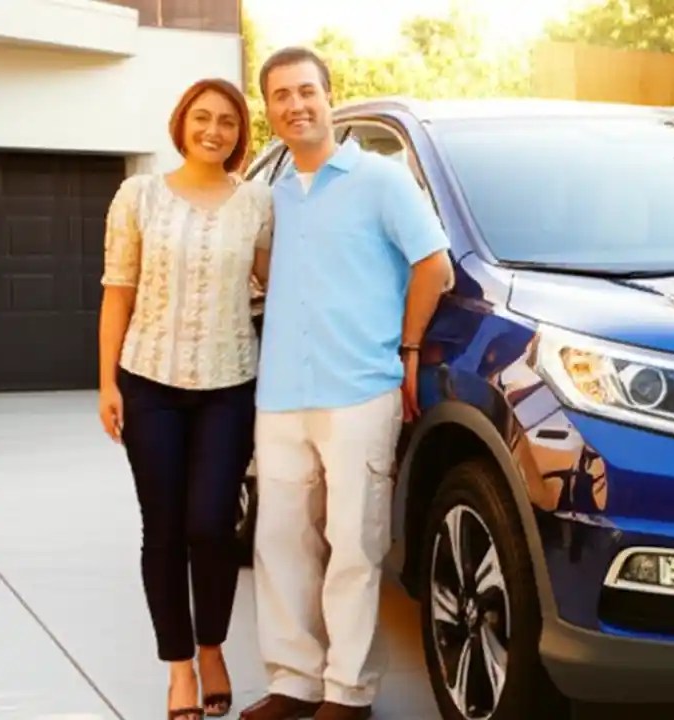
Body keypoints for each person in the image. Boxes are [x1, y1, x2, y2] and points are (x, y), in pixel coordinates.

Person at [240, 47, 453, 720]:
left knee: (354, 546)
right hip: (280, 394)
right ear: (269, 108)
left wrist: (408, 345)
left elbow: (435, 268)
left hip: (360, 387)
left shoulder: (379, 179)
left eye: (306, 91)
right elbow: (270, 270)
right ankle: (294, 680)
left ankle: (348, 691)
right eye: (280, 95)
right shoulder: (268, 196)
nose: (295, 105)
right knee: (280, 543)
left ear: (330, 98)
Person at [98, 78, 273, 720]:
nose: (214, 130)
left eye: (227, 121)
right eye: (202, 117)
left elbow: (277, 279)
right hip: (148, 382)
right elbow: (118, 291)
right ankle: (179, 667)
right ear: (182, 123)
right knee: (164, 528)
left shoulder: (256, 200)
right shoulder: (139, 195)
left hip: (229, 385)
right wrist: (108, 382)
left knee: (211, 525)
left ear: (239, 133)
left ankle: (213, 646)